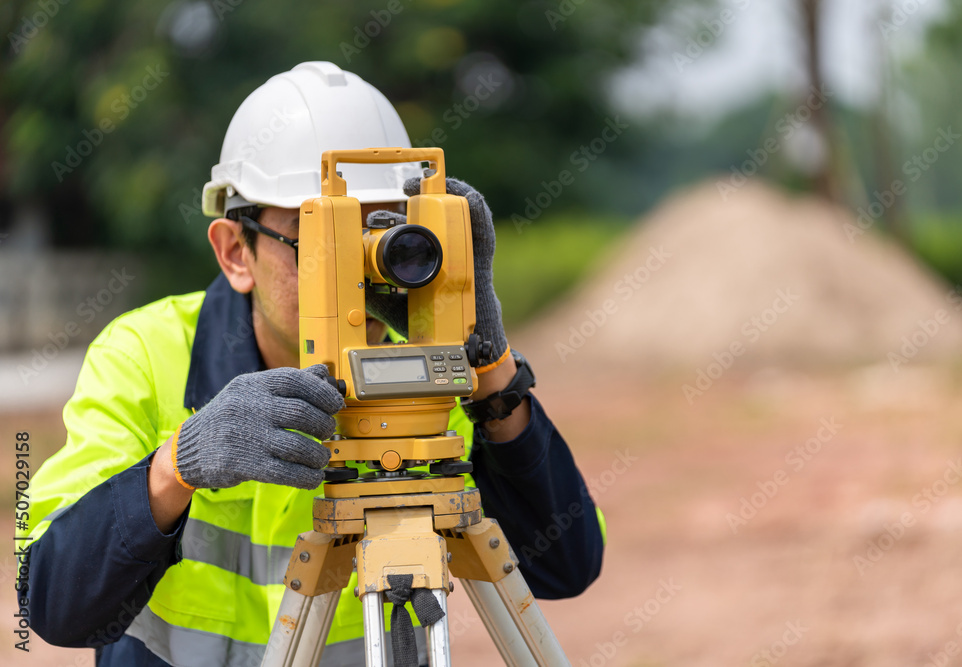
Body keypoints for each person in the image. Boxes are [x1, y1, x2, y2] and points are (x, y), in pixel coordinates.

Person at [21, 61, 604, 666]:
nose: (362, 266)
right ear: (234, 252)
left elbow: (566, 565)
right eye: (322, 237)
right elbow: (55, 605)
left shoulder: (428, 380)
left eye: (385, 232)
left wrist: (489, 365)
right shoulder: (146, 354)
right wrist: (177, 466)